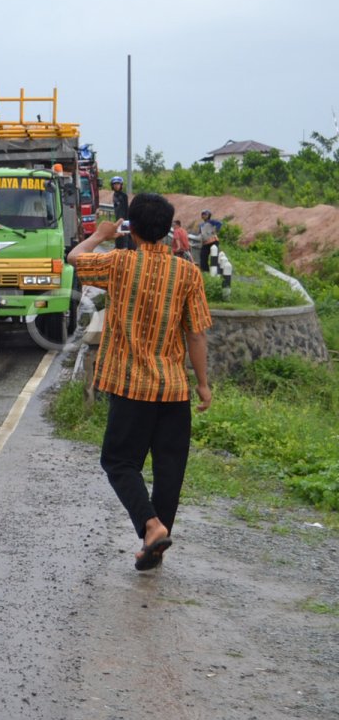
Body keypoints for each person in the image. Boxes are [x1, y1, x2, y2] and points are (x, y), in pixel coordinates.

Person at [67, 192, 213, 572]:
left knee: (118, 461)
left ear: (131, 228)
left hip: (131, 387)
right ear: (166, 230)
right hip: (174, 391)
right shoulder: (188, 273)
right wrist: (203, 384)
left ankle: (151, 527)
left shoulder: (119, 263)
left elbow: (75, 259)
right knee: (169, 470)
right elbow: (196, 334)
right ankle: (155, 546)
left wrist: (100, 235)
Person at [110, 175, 133, 249]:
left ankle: (125, 248)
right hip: (118, 219)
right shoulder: (114, 195)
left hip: (124, 219)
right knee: (118, 238)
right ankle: (117, 248)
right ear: (112, 186)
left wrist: (126, 221)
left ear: (121, 185)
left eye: (118, 184)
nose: (116, 186)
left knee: (125, 237)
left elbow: (126, 209)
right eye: (115, 184)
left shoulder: (124, 196)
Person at [197, 209, 222, 273]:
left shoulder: (211, 221)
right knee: (203, 256)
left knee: (215, 255)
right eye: (202, 214)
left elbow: (219, 223)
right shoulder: (201, 224)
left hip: (213, 241)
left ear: (209, 215)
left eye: (205, 214)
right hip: (205, 243)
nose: (203, 216)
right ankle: (205, 270)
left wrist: (216, 230)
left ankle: (217, 271)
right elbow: (200, 233)